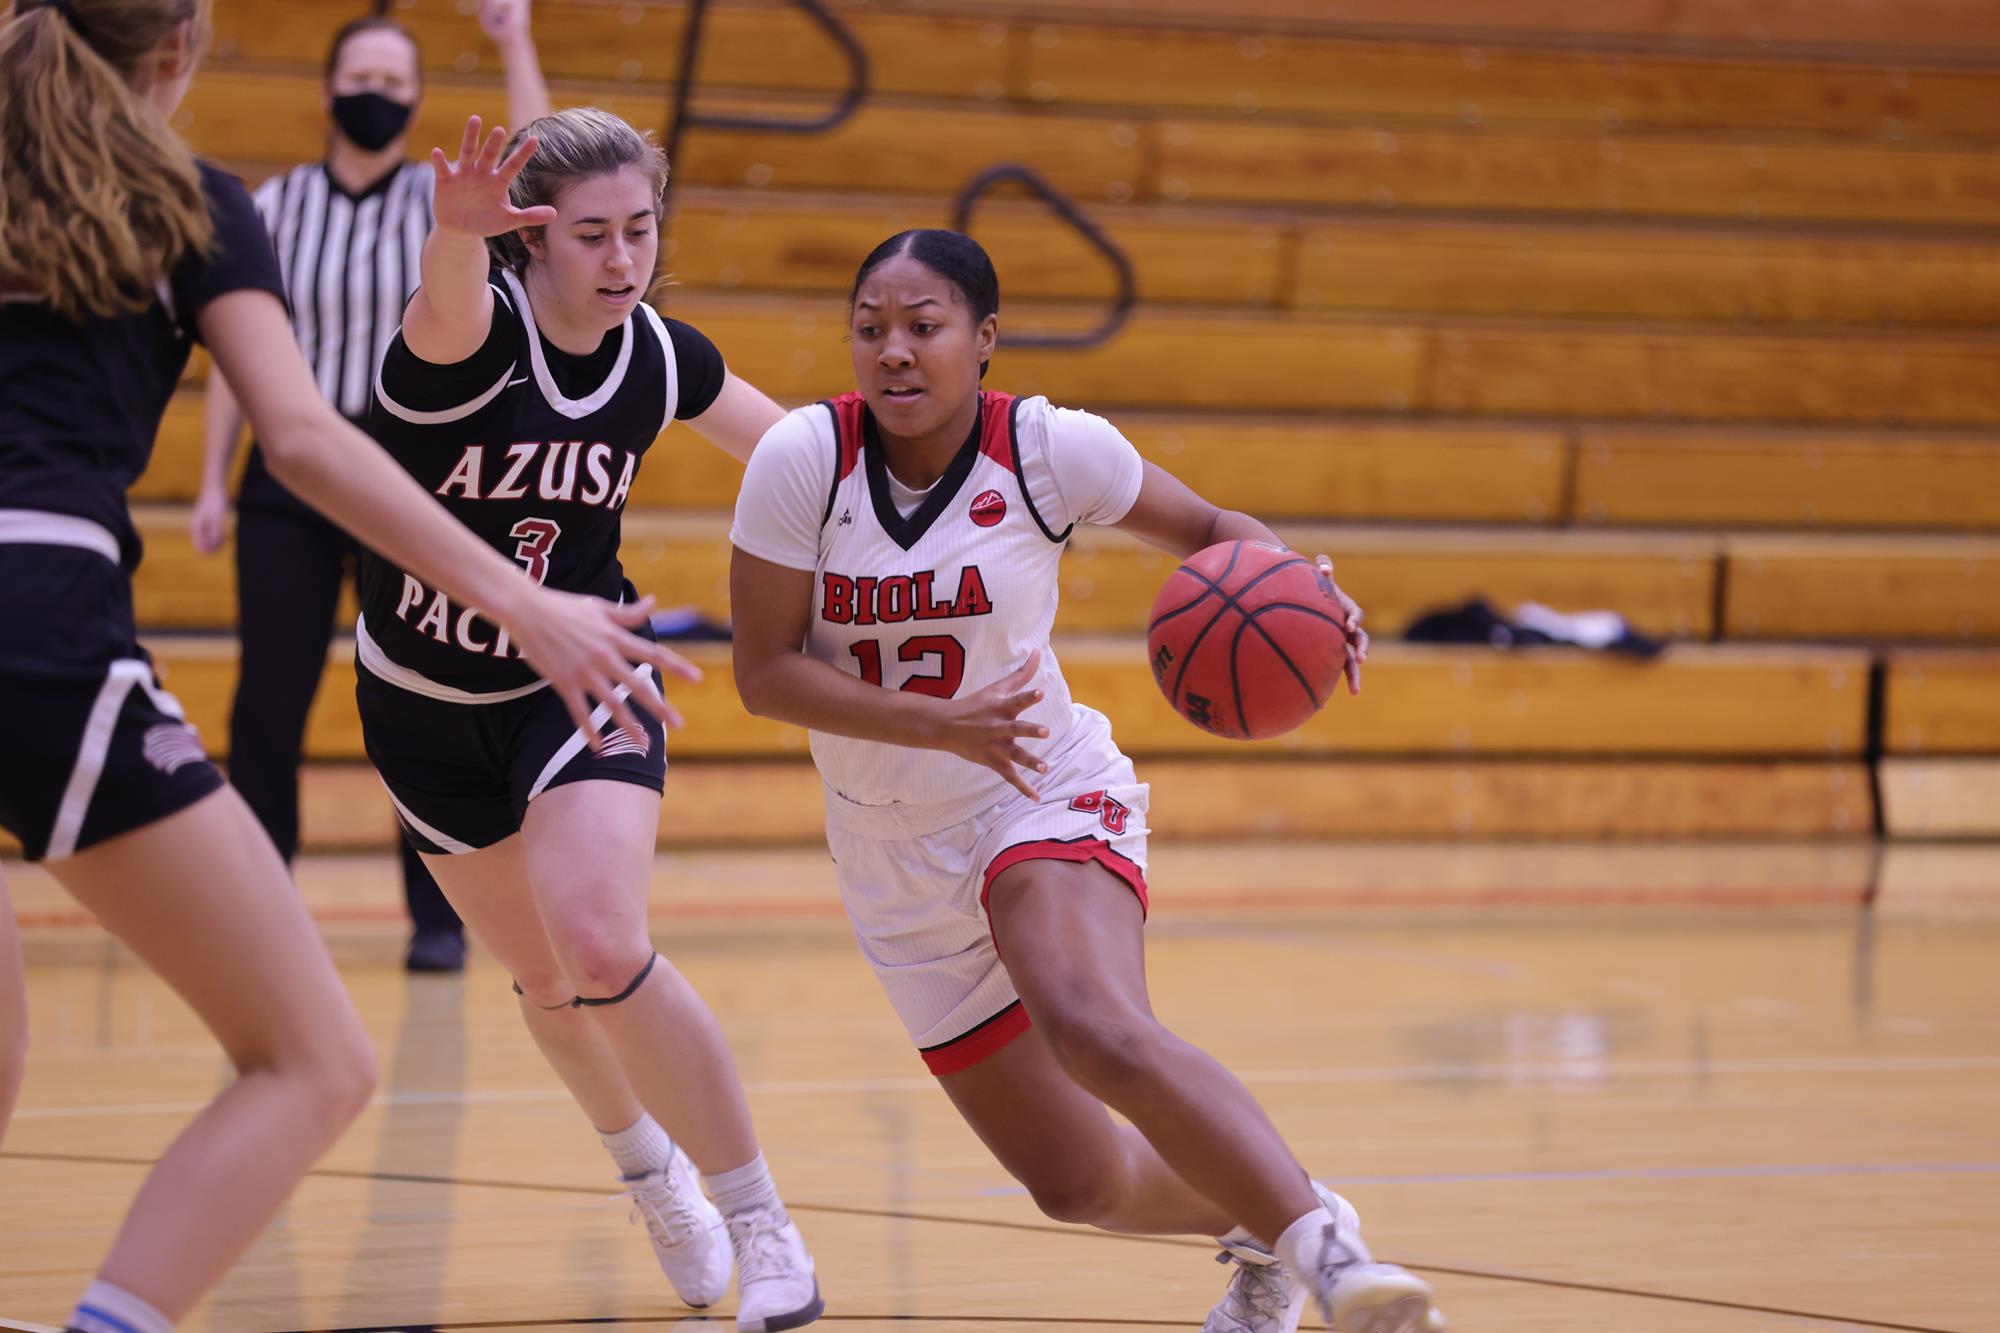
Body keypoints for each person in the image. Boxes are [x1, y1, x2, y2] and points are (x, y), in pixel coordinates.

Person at [0, 2, 697, 1331]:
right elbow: (306, 442)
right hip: (33, 607)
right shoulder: (194, 201)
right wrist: (525, 603)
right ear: (175, 60)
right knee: (312, 1061)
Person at [727, 229, 1446, 1333]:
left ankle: (1332, 1256)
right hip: (888, 849)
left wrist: (1298, 587)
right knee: (1077, 1185)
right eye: (870, 329)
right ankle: (1274, 1217)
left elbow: (1210, 531)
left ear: (984, 340)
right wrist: (934, 722)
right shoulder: (802, 459)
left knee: (1094, 1025)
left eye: (923, 328)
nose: (894, 352)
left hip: (1032, 784)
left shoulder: (1052, 450)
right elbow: (764, 673)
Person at [353, 104, 822, 1332]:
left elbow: (793, 461)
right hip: (423, 705)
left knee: (602, 944)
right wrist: (456, 235)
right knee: (546, 983)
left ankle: (761, 1219)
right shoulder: (470, 330)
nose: (621, 259)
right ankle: (647, 1172)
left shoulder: (659, 355)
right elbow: (447, 300)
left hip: (580, 680)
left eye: (639, 230)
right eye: (592, 236)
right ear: (532, 242)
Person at [191, 0, 553, 973]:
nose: (376, 96)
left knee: (417, 696)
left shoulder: (440, 210)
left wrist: (514, 40)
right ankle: (262, 914)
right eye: (361, 78)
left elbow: (538, 155)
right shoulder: (270, 208)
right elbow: (235, 353)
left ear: (417, 100)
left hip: (410, 484)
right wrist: (211, 482)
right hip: (288, 481)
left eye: (396, 83)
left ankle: (437, 916)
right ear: (325, 90)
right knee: (269, 701)